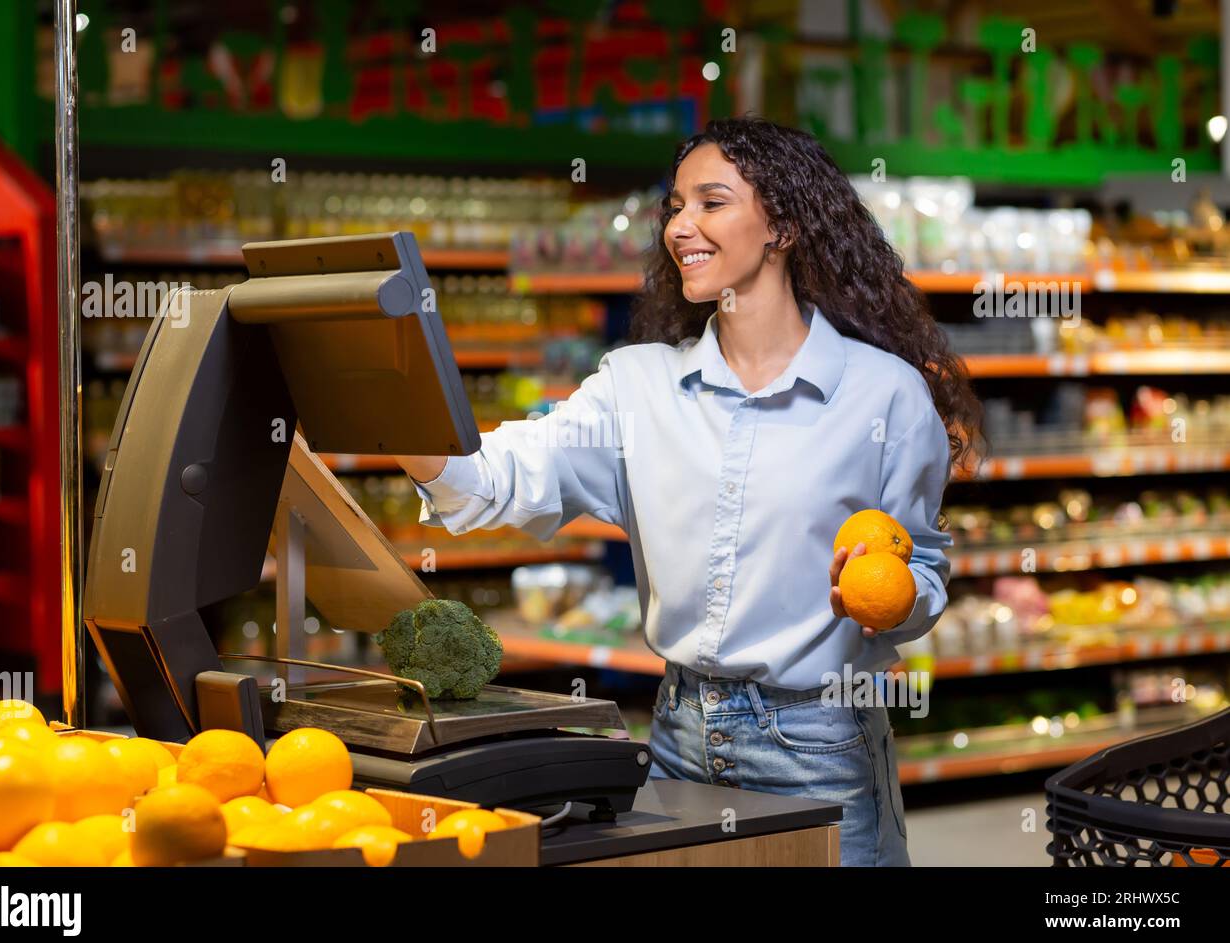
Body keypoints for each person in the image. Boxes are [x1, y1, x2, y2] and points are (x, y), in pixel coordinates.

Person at [394, 115, 983, 866]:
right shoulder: (636, 388)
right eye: (675, 206)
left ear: (785, 226)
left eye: (711, 202)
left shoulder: (884, 397)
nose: (681, 226)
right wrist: (393, 409)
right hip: (674, 732)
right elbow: (494, 478)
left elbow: (924, 571)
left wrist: (896, 598)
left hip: (818, 743)